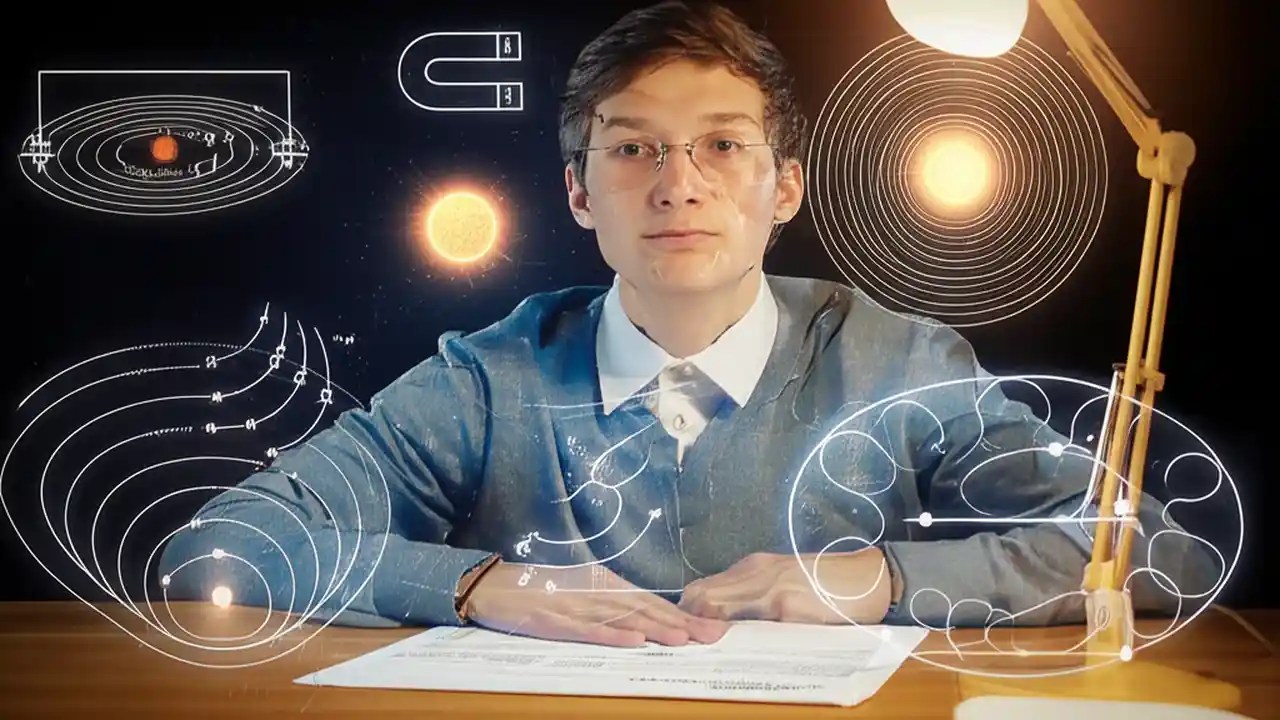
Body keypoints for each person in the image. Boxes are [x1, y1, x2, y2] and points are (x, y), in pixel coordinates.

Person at [159, 0, 1218, 648]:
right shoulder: (489, 379)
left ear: (784, 187)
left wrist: (882, 577)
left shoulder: (896, 362)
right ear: (579, 193)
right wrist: (478, 584)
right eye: (633, 150)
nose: (677, 185)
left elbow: (1161, 548)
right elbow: (217, 542)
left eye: (721, 145)